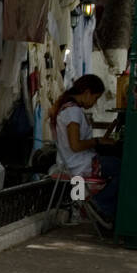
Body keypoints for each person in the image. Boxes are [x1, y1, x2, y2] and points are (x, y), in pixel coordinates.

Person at [49, 73, 118, 234]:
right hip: (79, 163)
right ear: (87, 92)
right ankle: (102, 205)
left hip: (70, 162)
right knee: (123, 168)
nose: (94, 103)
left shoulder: (66, 108)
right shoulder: (73, 112)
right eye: (95, 98)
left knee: (116, 166)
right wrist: (98, 141)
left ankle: (98, 206)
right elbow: (76, 145)